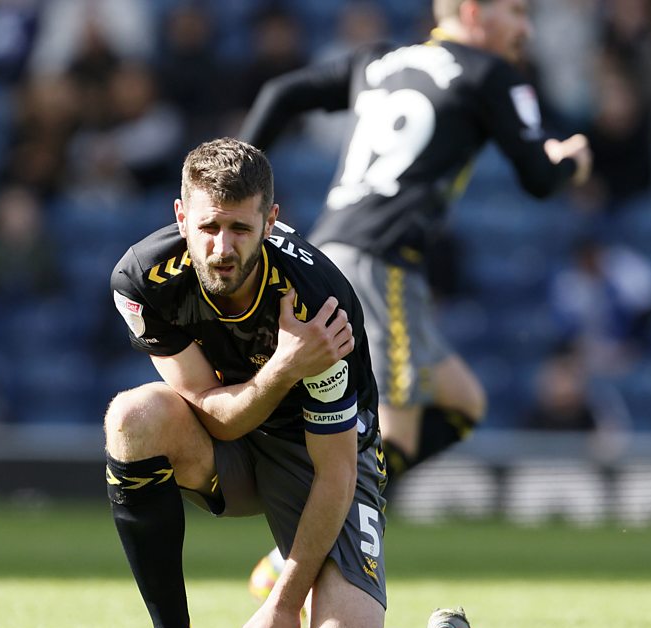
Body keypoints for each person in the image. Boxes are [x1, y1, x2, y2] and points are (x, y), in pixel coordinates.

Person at [107, 138, 483, 628]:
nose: (222, 248)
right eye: (209, 227)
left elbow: (336, 472)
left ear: (271, 221)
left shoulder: (318, 305)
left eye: (240, 229)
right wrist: (284, 367)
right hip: (230, 444)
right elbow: (211, 412)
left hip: (321, 459)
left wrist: (283, 607)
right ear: (181, 216)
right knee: (133, 418)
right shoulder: (144, 281)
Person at [240, 0, 590, 523]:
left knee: (462, 402)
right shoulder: (492, 74)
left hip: (334, 251)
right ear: (472, 12)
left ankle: (321, 513)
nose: (526, 28)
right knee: (396, 432)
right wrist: (570, 163)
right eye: (516, 12)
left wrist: (232, 185)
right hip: (382, 262)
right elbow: (538, 179)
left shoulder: (381, 60)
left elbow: (280, 93)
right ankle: (301, 547)